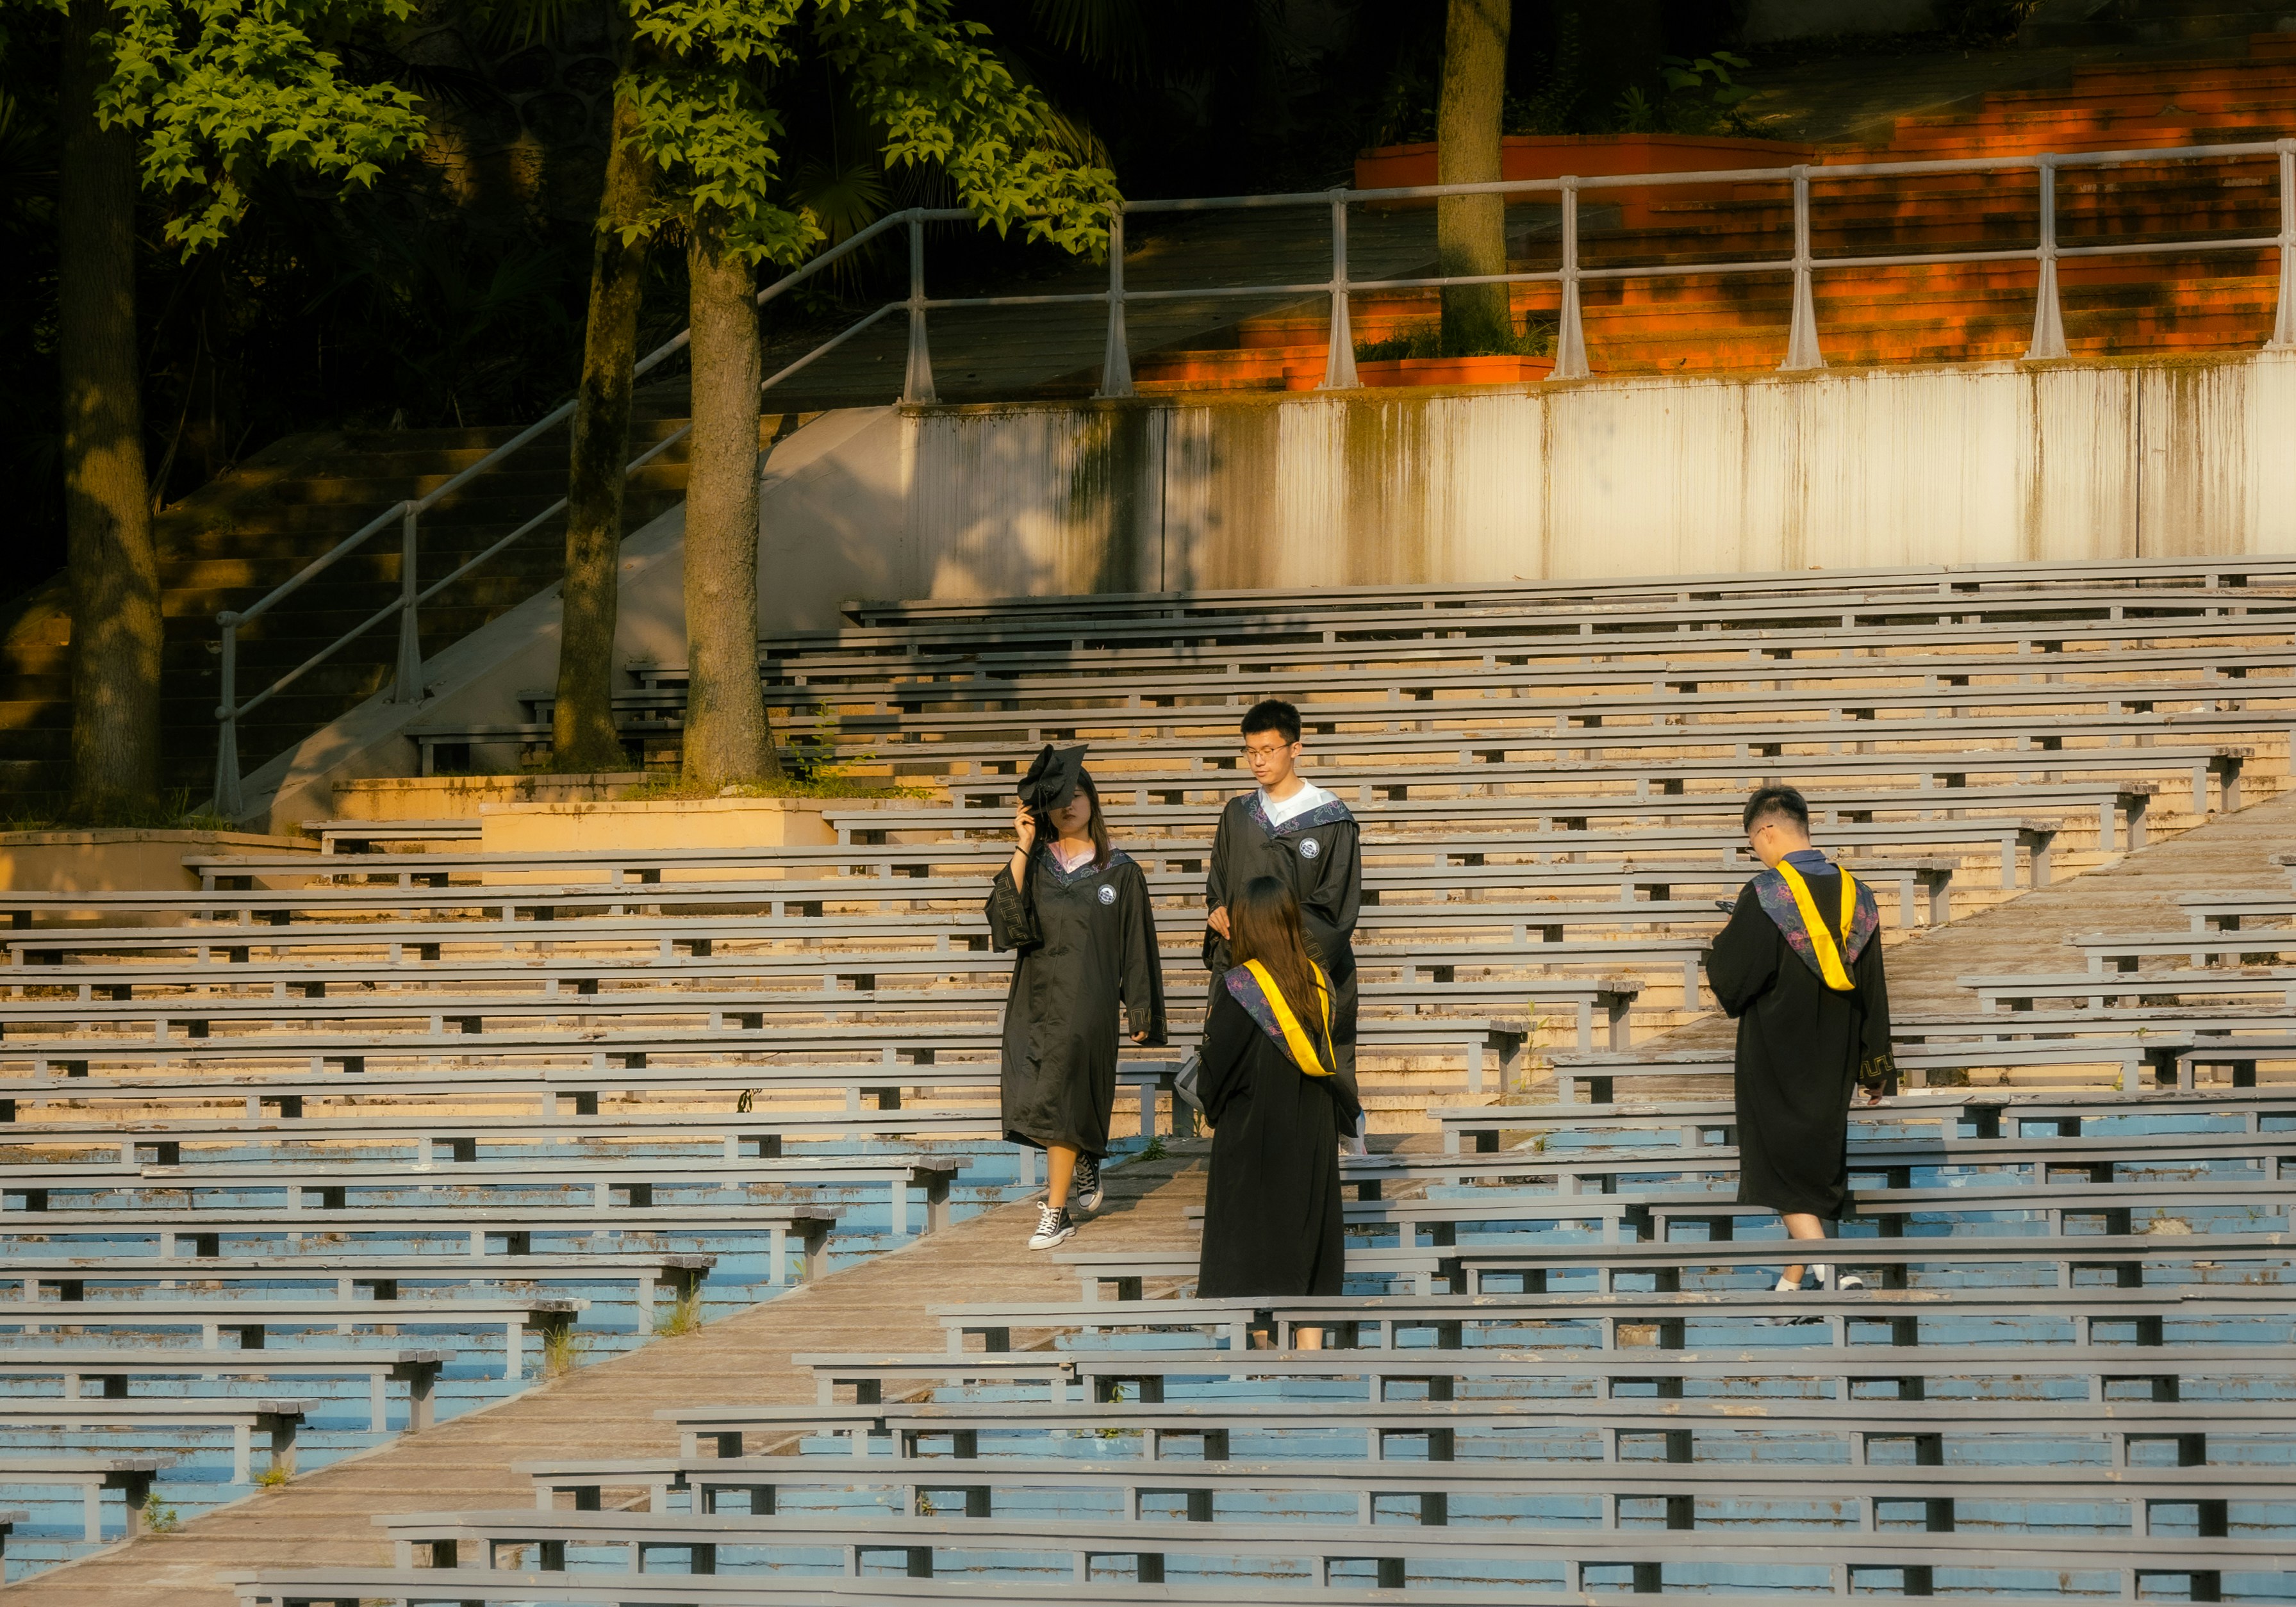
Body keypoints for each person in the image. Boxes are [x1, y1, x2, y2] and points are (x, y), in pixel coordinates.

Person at [1704, 785, 1897, 1294]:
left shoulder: (1768, 894)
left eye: (1753, 842)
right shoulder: (1858, 893)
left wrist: (1717, 945)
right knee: (1814, 1161)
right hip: (1834, 1048)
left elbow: (1733, 977)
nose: (1756, 854)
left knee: (1777, 1162)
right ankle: (1792, 1277)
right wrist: (1873, 1064)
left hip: (1774, 1048)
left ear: (1766, 830)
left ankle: (1832, 1269)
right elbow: (1874, 984)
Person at [987, 743, 1167, 1251]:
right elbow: (1004, 924)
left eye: (1076, 795)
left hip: (1086, 1001)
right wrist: (1022, 845)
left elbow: (1137, 944)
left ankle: (1056, 1211)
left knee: (1062, 1093)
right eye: (1056, 799)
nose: (1068, 806)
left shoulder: (1119, 871)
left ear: (1092, 799)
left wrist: (1140, 1008)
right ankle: (1084, 1156)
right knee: (1035, 1096)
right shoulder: (1038, 863)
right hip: (1034, 997)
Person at [1196, 876, 1362, 1346]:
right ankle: (1309, 1356)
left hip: (1253, 1132)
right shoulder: (1316, 980)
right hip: (1310, 1130)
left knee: (1254, 1250)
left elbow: (1218, 1065)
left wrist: (1211, 1104)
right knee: (1304, 1238)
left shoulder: (1239, 987)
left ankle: (1264, 1363)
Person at [1202, 699, 1365, 1153]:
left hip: (1304, 967)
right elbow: (1219, 884)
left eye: (1268, 750)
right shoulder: (1238, 814)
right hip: (1244, 967)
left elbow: (1335, 905)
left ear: (1295, 749)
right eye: (1250, 751)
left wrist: (1285, 956)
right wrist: (1217, 911)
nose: (1258, 761)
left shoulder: (1331, 817)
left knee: (1315, 1059)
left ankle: (1333, 1139)